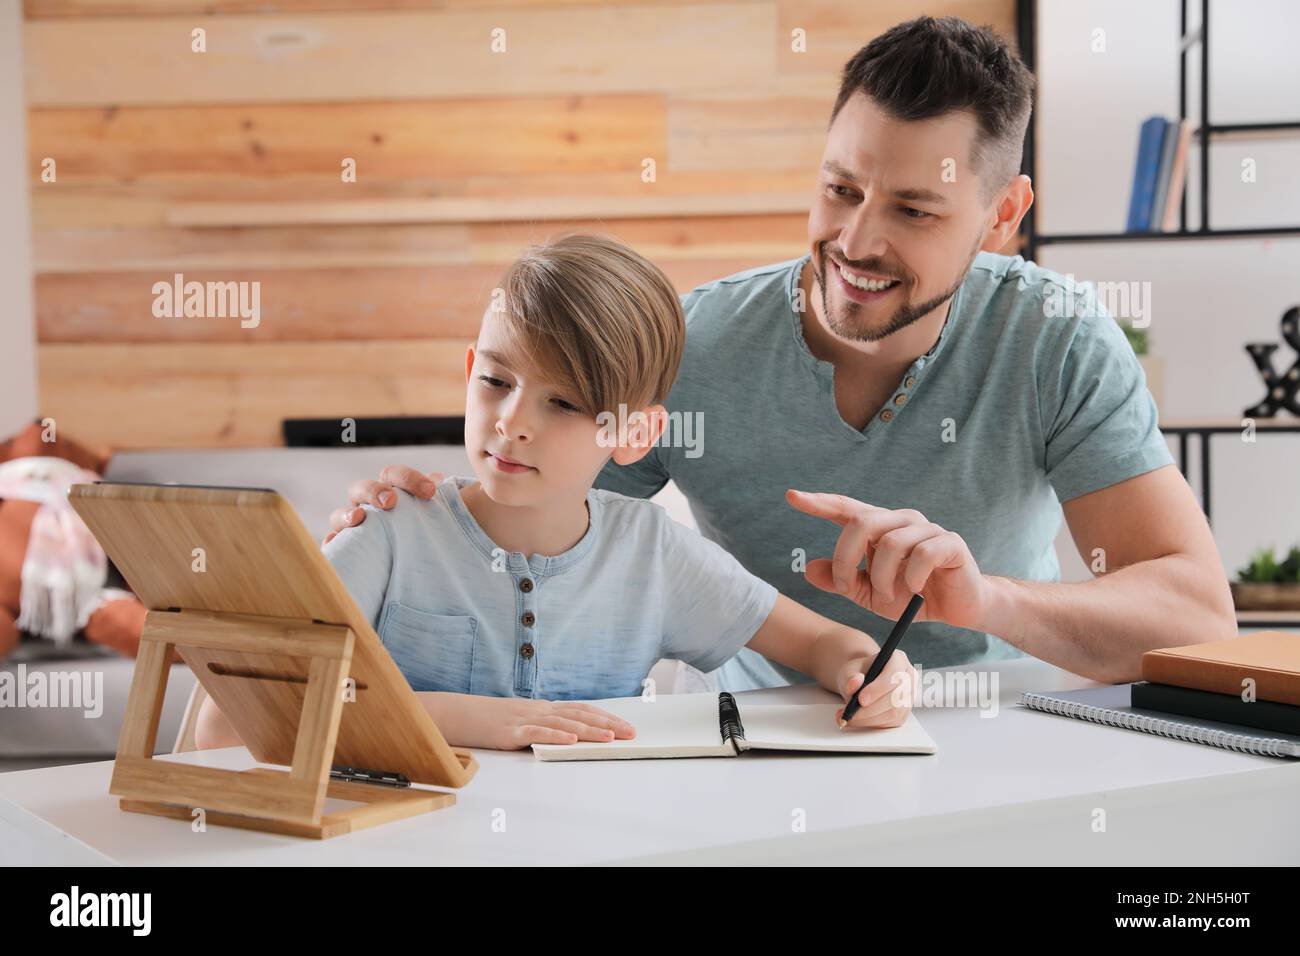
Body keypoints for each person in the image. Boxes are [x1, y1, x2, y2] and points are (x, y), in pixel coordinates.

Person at [329, 16, 1234, 693]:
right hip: (759, 741)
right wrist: (418, 529)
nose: (856, 241)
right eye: (840, 189)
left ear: (1003, 217)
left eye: (914, 211)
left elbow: (1197, 620)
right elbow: (556, 539)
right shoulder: (696, 344)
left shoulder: (1057, 338)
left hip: (993, 712)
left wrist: (987, 602)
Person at [195, 235, 916, 753]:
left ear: (635, 433)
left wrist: (869, 671)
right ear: (469, 369)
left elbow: (822, 642)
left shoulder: (651, 552)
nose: (512, 423)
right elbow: (241, 714)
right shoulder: (388, 531)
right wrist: (468, 719)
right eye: (497, 382)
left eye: (563, 403)